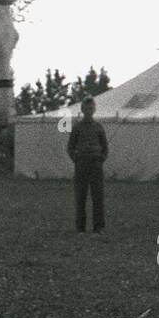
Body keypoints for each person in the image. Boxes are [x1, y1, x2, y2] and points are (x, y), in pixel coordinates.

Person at [67, 96, 108, 233]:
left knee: (98, 197)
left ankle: (99, 227)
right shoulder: (77, 127)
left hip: (96, 164)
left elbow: (105, 147)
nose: (89, 111)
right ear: (82, 109)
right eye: (87, 108)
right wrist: (77, 159)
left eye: (91, 108)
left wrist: (100, 158)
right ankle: (80, 228)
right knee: (81, 197)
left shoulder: (99, 127)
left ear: (94, 109)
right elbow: (70, 147)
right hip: (82, 164)